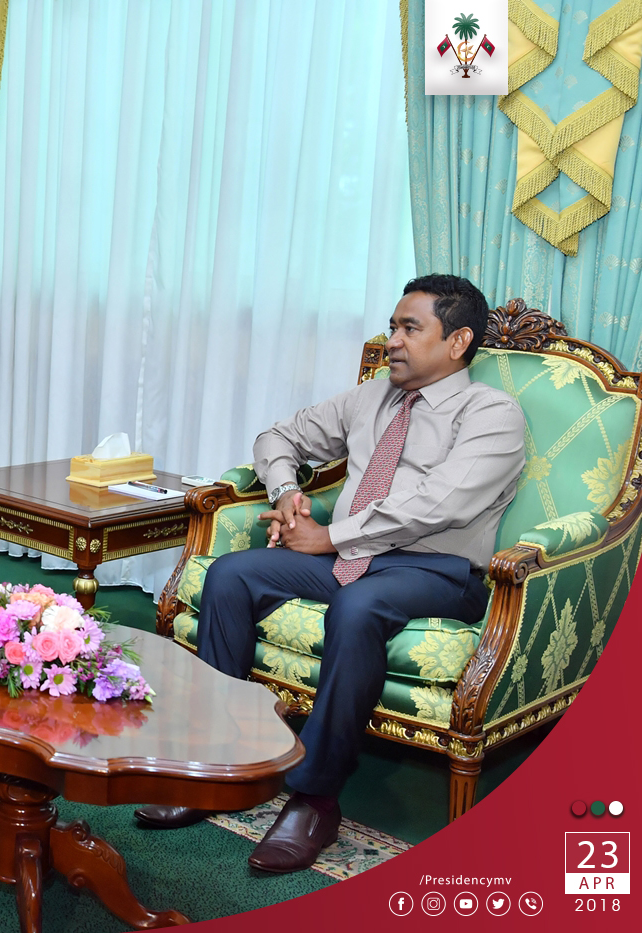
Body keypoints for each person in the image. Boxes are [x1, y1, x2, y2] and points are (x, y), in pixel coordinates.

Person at [135, 274, 526, 872]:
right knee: (233, 575)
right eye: (392, 325)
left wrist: (329, 535)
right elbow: (279, 436)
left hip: (438, 569)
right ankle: (220, 763)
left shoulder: (491, 414)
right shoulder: (372, 396)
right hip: (350, 558)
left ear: (458, 341)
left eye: (409, 328)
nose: (392, 339)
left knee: (360, 606)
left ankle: (315, 798)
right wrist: (289, 492)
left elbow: (442, 504)